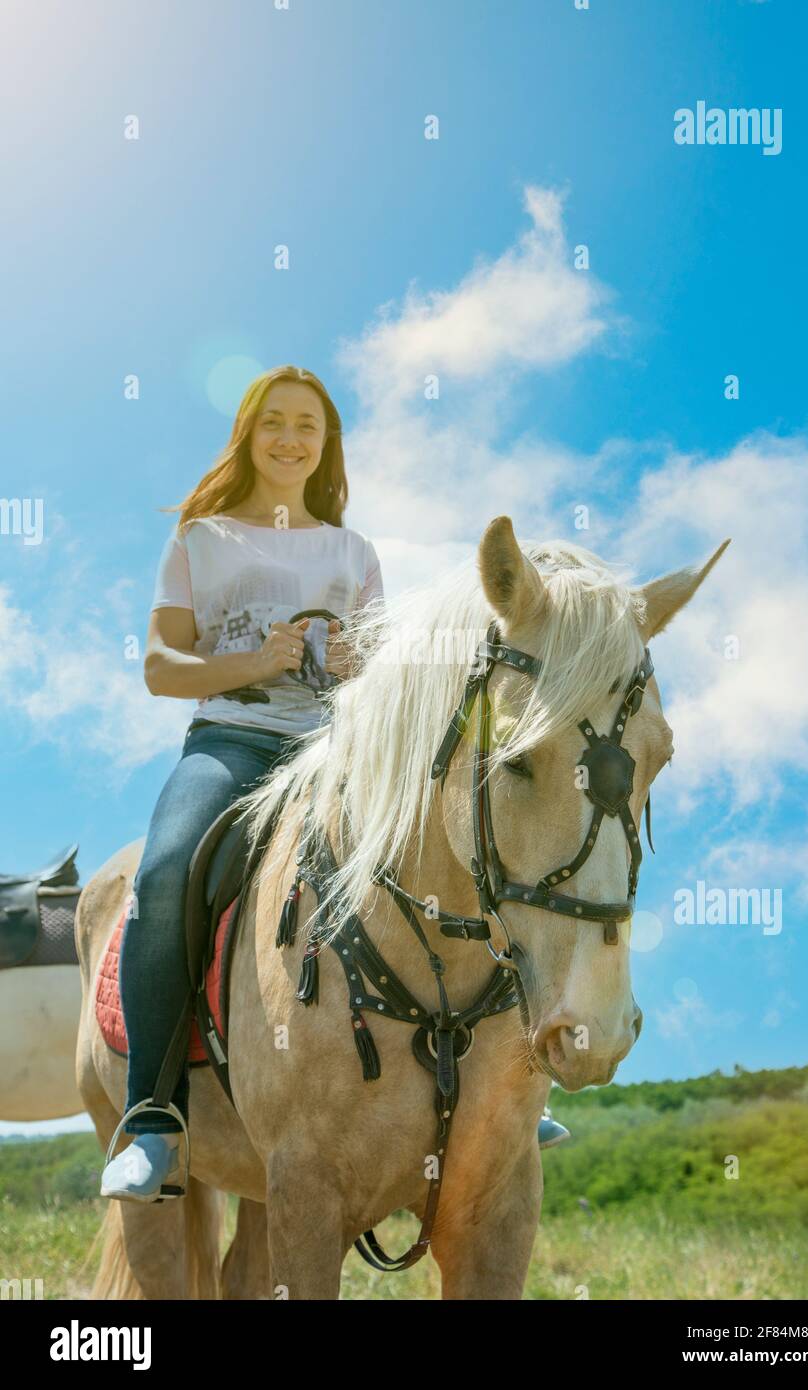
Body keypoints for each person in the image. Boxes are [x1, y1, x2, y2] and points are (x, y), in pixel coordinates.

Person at [101, 362, 566, 1203]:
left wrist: (359, 666)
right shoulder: (200, 539)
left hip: (341, 748)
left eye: (306, 426)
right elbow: (160, 668)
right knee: (166, 873)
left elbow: (381, 676)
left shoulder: (353, 553)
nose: (290, 438)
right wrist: (258, 660)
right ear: (249, 433)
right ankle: (153, 1118)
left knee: (471, 837)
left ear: (326, 446)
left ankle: (505, 1080)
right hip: (235, 742)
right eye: (273, 421)